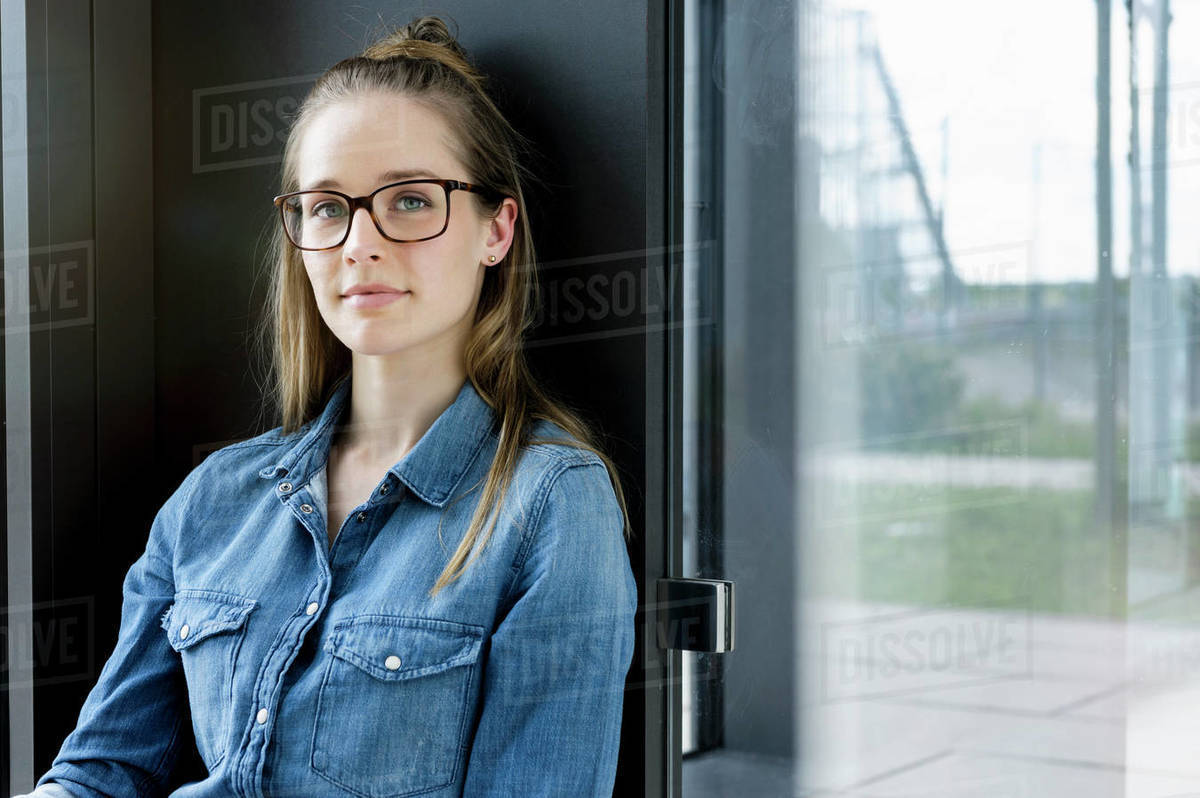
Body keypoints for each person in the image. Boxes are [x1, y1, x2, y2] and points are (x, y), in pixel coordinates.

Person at [15, 15, 637, 798]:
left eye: (410, 201)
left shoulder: (550, 505)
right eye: (328, 207)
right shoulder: (213, 501)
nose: (359, 242)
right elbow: (97, 777)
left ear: (497, 229)